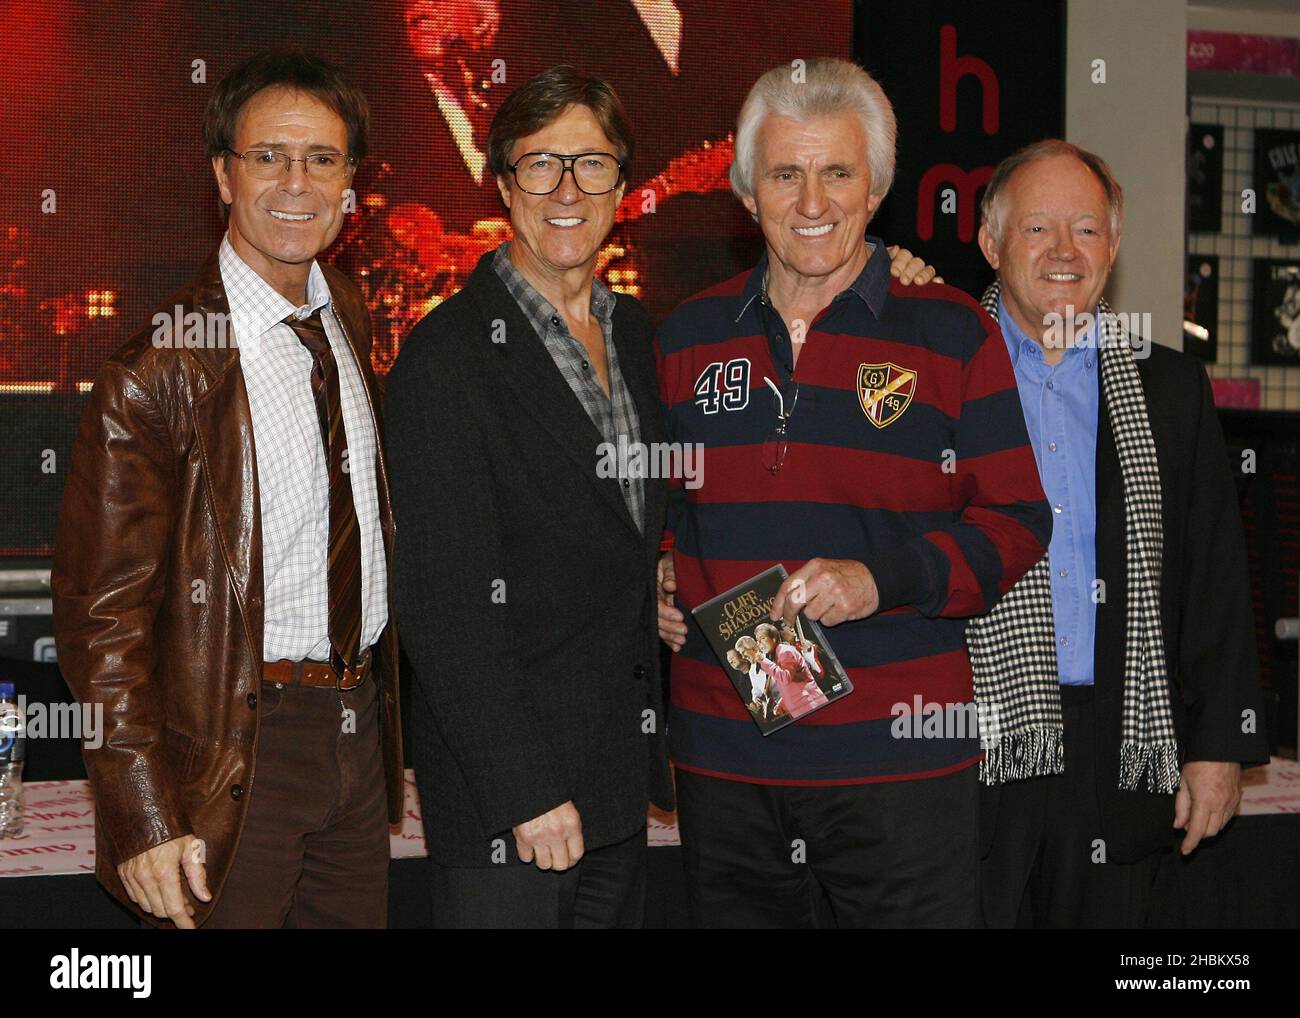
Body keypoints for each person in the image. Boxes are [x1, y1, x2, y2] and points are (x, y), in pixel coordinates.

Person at [655, 57, 1051, 928]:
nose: (811, 202)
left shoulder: (951, 331)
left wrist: (883, 580)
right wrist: (654, 570)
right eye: (785, 173)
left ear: (875, 188)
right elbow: (658, 510)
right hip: (727, 765)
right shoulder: (685, 335)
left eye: (838, 172)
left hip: (902, 766)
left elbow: (1020, 521)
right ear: (743, 191)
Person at [49, 51, 403, 928]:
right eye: (267, 156)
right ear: (222, 174)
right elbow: (101, 618)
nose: (296, 181)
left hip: (358, 740)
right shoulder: (156, 369)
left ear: (352, 182)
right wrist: (142, 814)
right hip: (230, 754)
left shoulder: (350, 318)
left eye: (323, 159)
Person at [969, 139, 1269, 927]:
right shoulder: (937, 372)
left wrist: (1219, 745)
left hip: (1122, 750)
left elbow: (1213, 576)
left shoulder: (1169, 387)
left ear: (1114, 245)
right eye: (1038, 229)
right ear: (991, 242)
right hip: (971, 747)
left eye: (1088, 230)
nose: (1065, 251)